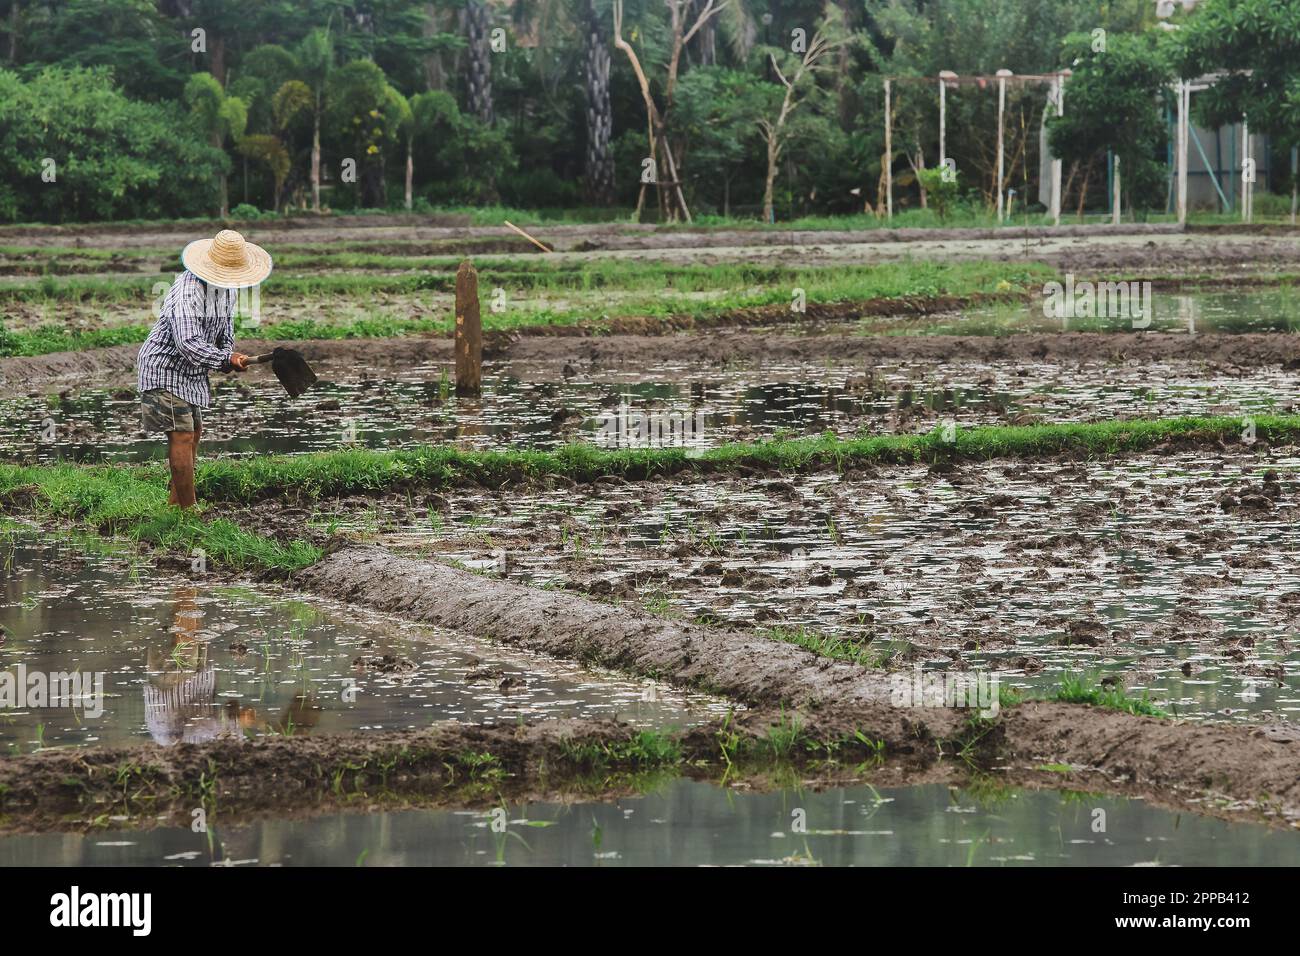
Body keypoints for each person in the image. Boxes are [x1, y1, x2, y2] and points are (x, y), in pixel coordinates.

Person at [136, 229, 272, 508]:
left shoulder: (226, 290)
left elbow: (226, 330)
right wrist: (223, 359)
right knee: (182, 435)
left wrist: (230, 354)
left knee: (194, 432)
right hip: (165, 369)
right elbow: (188, 343)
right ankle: (189, 510)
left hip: (191, 372)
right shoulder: (188, 292)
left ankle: (175, 505)